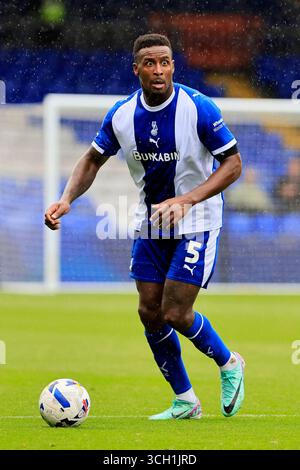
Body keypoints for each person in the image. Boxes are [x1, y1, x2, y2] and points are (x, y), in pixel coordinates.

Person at [45, 33, 245, 420]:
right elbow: (92, 159)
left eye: (165, 62)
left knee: (174, 312)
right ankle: (185, 399)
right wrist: (66, 198)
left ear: (173, 66)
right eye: (150, 63)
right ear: (136, 68)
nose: (158, 70)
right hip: (152, 222)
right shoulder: (122, 115)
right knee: (149, 311)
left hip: (197, 221)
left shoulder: (198, 108)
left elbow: (233, 164)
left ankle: (229, 362)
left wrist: (187, 199)